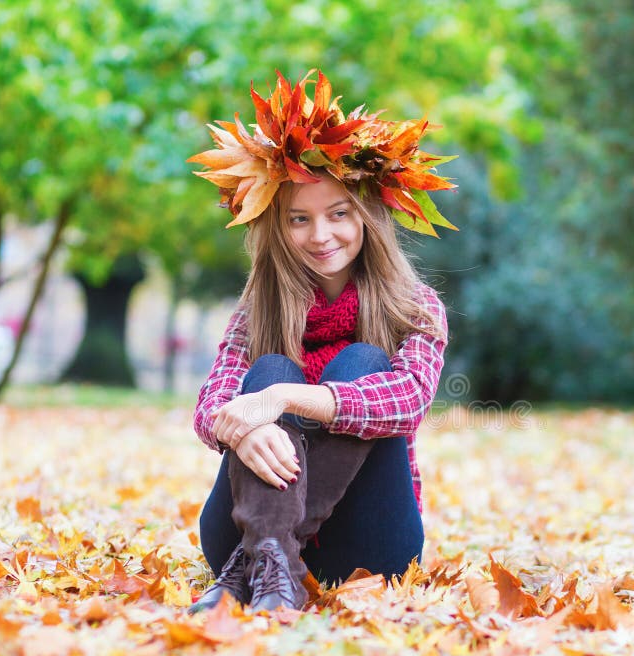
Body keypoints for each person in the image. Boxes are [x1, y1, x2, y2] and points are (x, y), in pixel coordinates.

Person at [187, 70, 456, 613]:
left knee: (361, 363)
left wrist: (282, 403)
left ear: (369, 218)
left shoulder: (415, 307)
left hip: (367, 547)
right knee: (270, 368)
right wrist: (249, 423)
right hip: (238, 538)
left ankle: (263, 561)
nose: (320, 235)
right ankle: (268, 557)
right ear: (276, 227)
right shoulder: (256, 309)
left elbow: (405, 400)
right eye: (299, 219)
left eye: (339, 214)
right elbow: (210, 410)